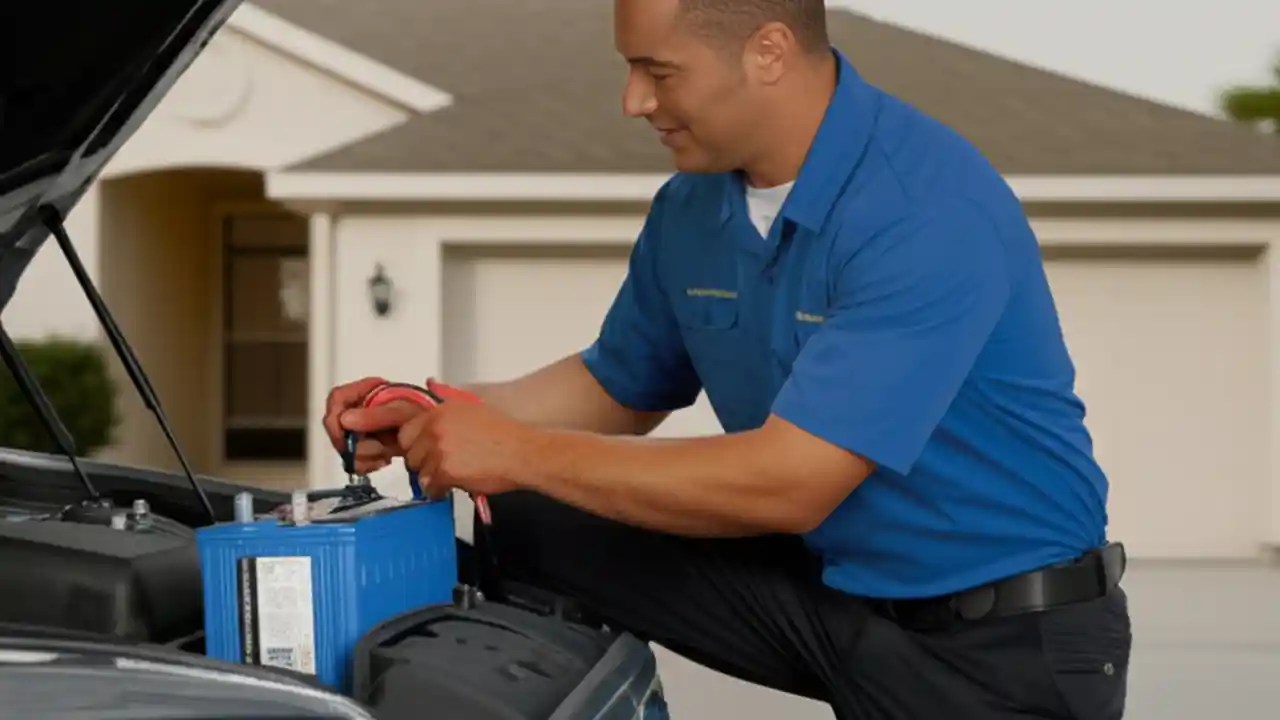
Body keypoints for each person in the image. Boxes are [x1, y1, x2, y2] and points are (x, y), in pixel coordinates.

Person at [324, 0, 1132, 717]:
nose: (634, 100)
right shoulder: (694, 206)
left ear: (768, 51)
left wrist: (516, 452)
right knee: (528, 520)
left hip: (1000, 640)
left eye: (658, 71)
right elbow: (617, 385)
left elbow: (793, 483)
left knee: (531, 475)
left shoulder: (923, 206)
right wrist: (437, 416)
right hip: (835, 596)